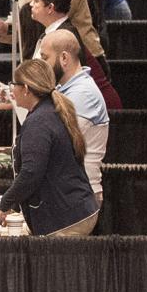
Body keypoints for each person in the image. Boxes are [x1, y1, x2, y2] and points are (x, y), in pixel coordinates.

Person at [0, 59, 99, 236]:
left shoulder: (38, 122)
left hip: (66, 217)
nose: (11, 89)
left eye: (13, 84)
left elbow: (31, 172)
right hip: (77, 208)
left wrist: (5, 204)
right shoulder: (51, 110)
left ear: (26, 89)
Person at [39, 30, 108, 206]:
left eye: (45, 58)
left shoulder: (82, 94)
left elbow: (53, 143)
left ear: (64, 58)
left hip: (78, 197)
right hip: (70, 192)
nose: (42, 66)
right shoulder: (69, 89)